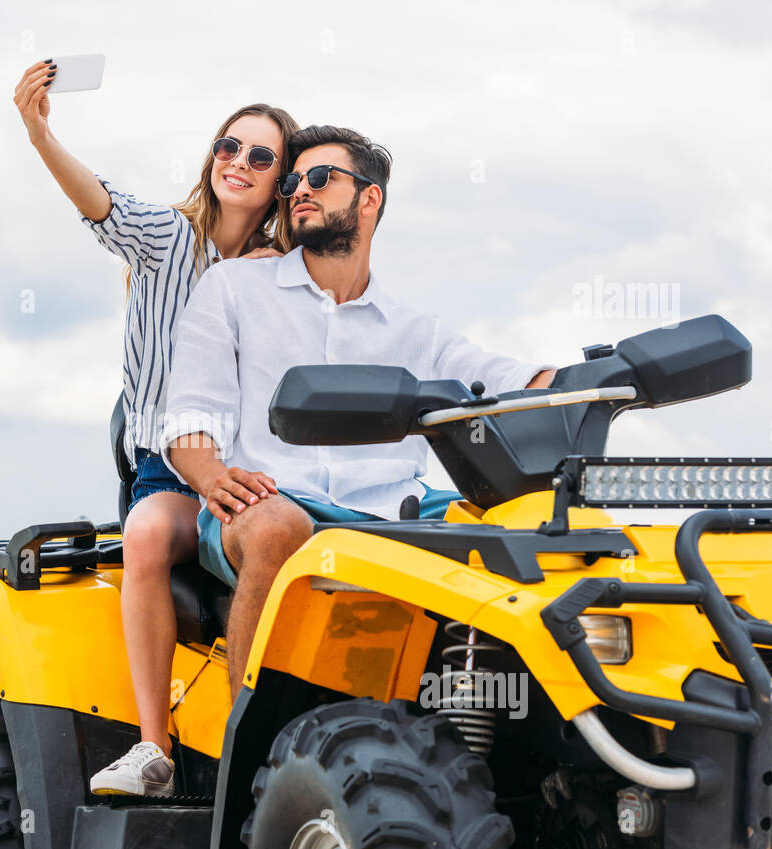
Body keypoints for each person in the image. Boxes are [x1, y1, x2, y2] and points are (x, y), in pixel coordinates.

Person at [161, 125, 557, 701]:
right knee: (279, 527)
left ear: (369, 199)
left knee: (537, 529)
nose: (300, 190)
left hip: (392, 512)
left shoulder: (415, 328)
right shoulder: (233, 288)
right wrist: (214, 478)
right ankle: (247, 758)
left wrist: (588, 383)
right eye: (293, 181)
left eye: (321, 179)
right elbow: (192, 418)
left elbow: (509, 382)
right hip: (262, 502)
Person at [12, 60, 299, 795]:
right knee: (144, 536)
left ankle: (275, 733)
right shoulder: (169, 239)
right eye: (228, 147)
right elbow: (99, 203)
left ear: (278, 181)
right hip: (173, 472)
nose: (238, 163)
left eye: (260, 156)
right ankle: (153, 748)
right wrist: (40, 132)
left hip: (258, 468)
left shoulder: (279, 271)